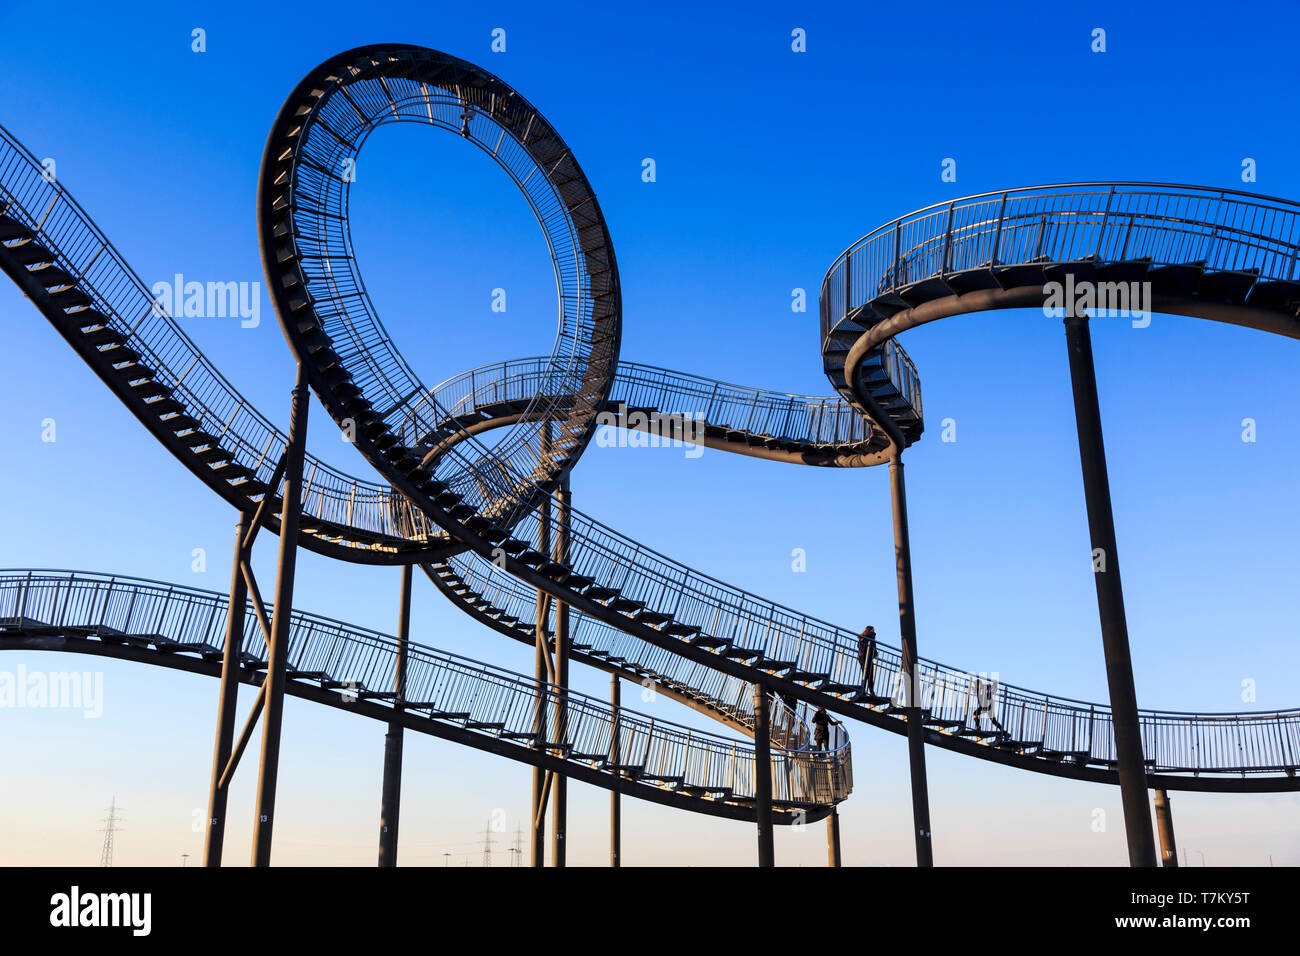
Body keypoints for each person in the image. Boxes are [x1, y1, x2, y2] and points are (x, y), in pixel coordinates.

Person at [858, 626, 878, 695]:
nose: (874, 631)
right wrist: (875, 653)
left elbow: (860, 646)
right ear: (871, 630)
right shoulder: (871, 637)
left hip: (862, 657)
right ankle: (871, 691)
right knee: (869, 675)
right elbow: (873, 648)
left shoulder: (862, 637)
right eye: (873, 630)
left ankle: (864, 690)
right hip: (867, 658)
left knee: (866, 674)